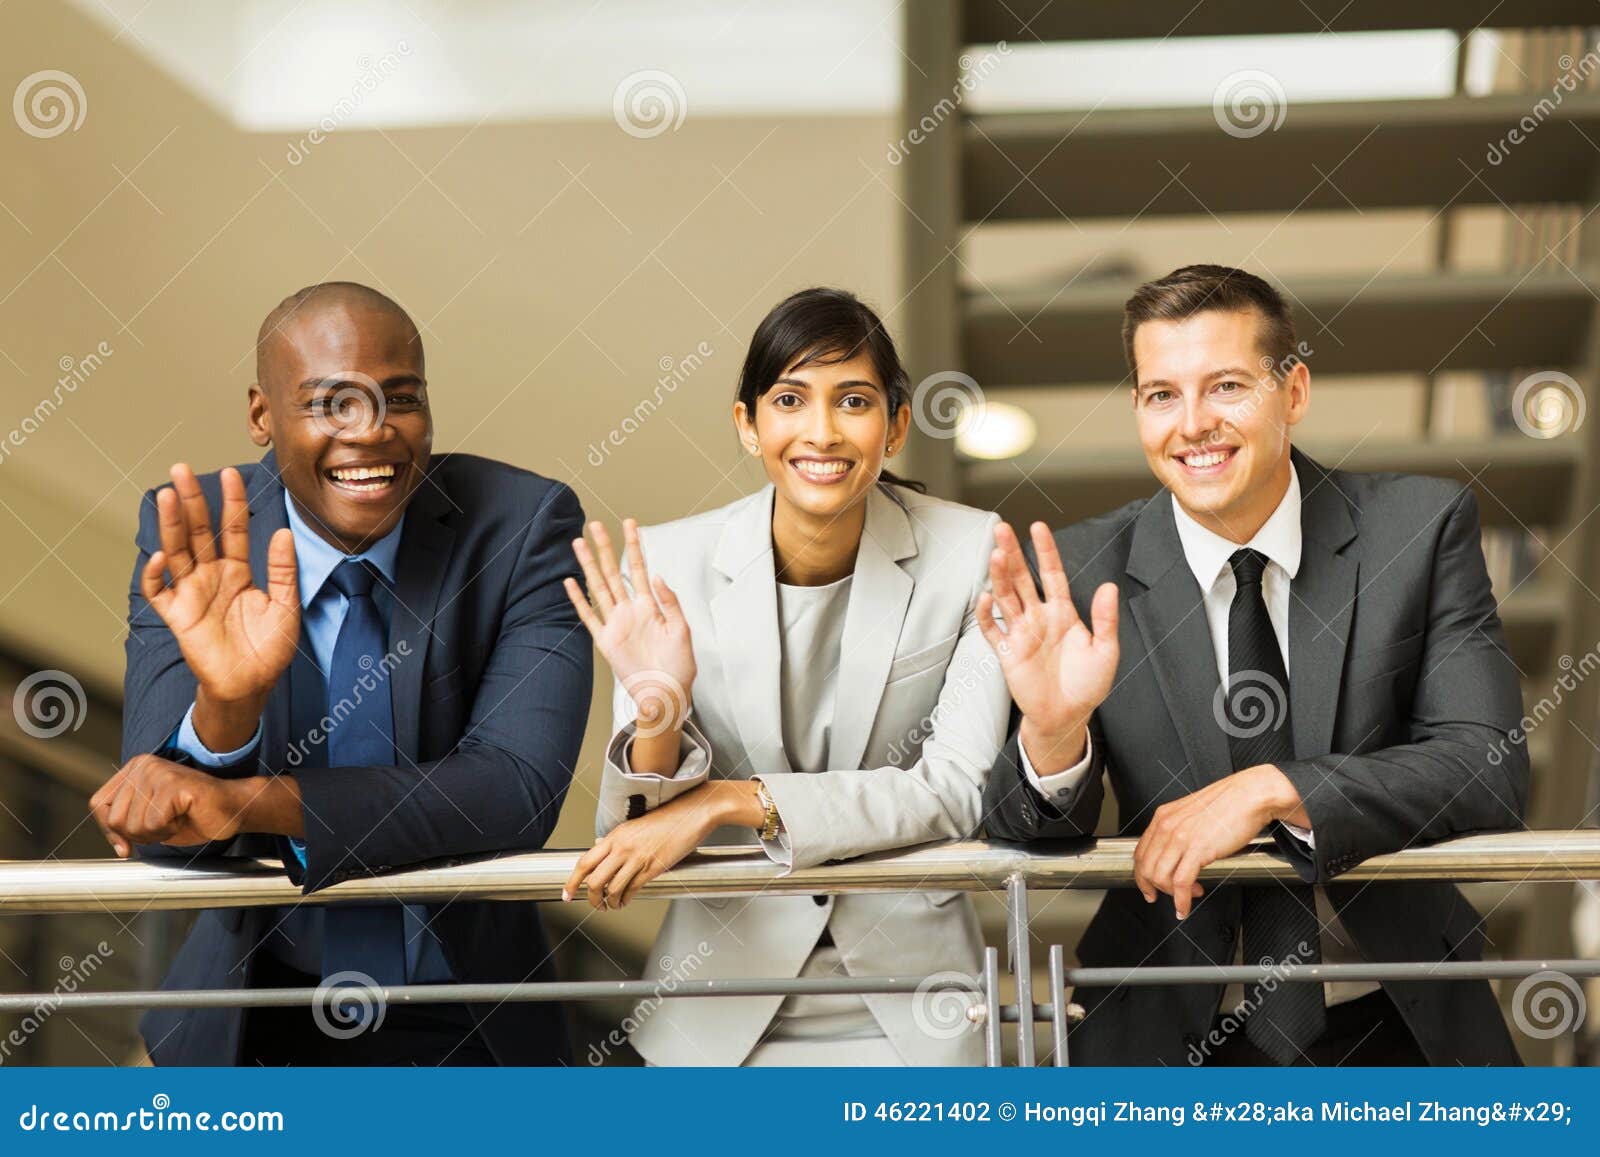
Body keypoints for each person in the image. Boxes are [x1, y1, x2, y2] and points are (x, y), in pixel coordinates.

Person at [979, 264, 1529, 1066]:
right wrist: (1054, 732)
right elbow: (1019, 829)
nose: (1193, 423)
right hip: (1165, 1036)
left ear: (1294, 391)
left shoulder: (1418, 529)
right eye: (1161, 394)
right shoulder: (1080, 569)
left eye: (1227, 385)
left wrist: (1277, 788)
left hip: (1394, 1015)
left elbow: (1489, 768)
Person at [92, 282, 591, 1065]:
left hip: (466, 1017)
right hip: (258, 1015)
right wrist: (229, 704)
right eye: (331, 404)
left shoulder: (523, 527)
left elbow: (515, 791)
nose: (373, 433)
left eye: (401, 398)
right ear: (263, 416)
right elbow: (169, 846)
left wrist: (251, 800)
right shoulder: (191, 534)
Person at [562, 287, 1010, 1065]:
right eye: (791, 399)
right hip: (717, 1011)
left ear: (897, 424)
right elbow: (630, 837)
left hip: (918, 1012)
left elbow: (955, 790)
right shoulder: (669, 565)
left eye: (855, 401)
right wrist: (659, 707)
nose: (823, 432)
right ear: (748, 424)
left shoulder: (973, 552)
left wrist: (733, 802)